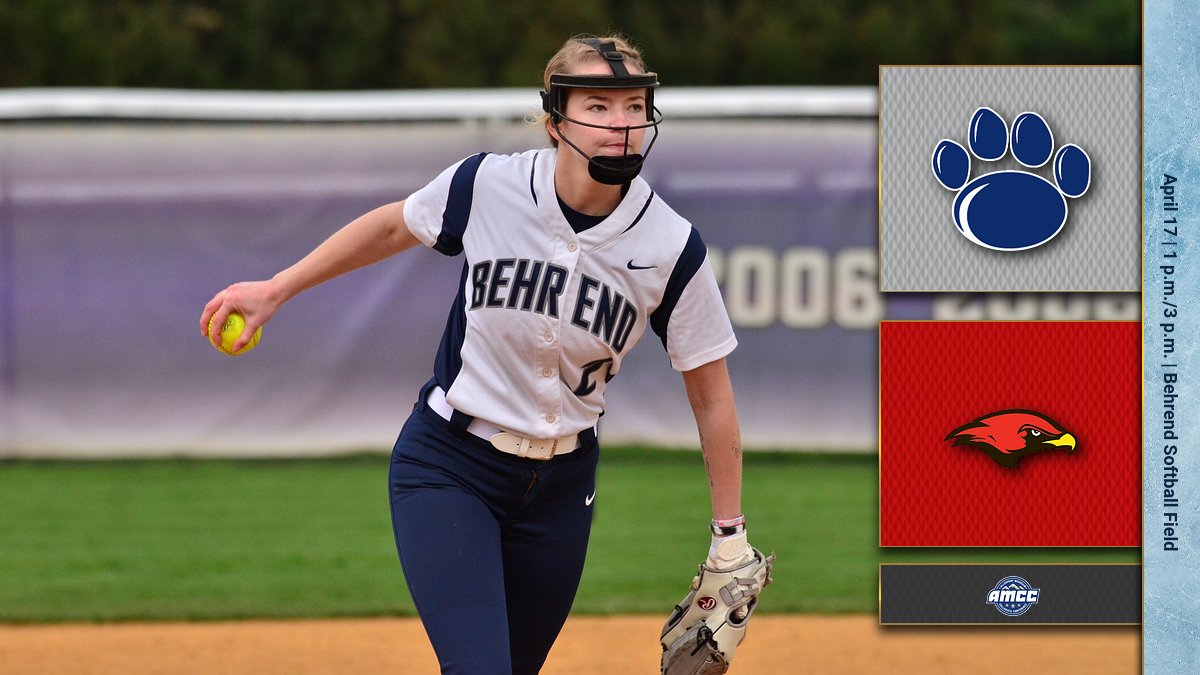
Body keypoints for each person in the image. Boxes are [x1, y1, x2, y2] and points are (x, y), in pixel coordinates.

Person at [200, 34, 761, 674]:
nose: (621, 125)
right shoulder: (487, 185)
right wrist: (277, 288)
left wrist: (730, 537)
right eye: (598, 107)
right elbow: (392, 225)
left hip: (562, 492)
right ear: (555, 120)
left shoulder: (671, 245)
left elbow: (712, 395)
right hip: (450, 466)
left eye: (634, 105)